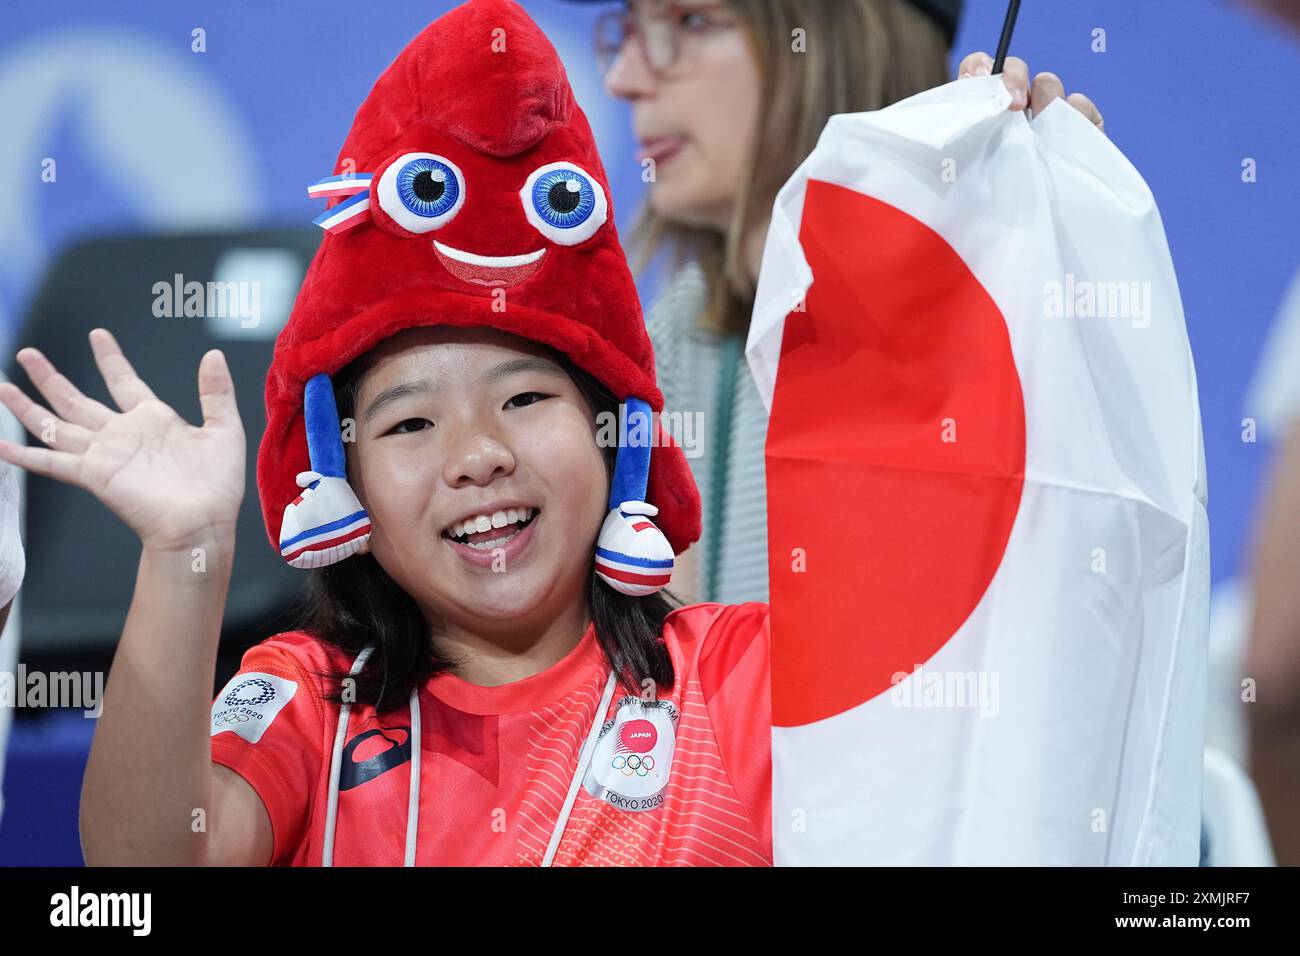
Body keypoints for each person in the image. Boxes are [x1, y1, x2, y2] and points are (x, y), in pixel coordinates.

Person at [0, 0, 1098, 866]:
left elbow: (981, 673)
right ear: (343, 482)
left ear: (618, 434)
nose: (477, 450)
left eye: (526, 399)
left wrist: (1015, 266)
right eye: (410, 420)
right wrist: (186, 551)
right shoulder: (306, 698)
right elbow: (142, 865)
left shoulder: (738, 673)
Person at [580, 0, 1105, 603]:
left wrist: (1039, 285)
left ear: (839, 38)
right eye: (628, 29)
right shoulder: (680, 336)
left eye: (689, 21)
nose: (624, 78)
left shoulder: (991, 290)